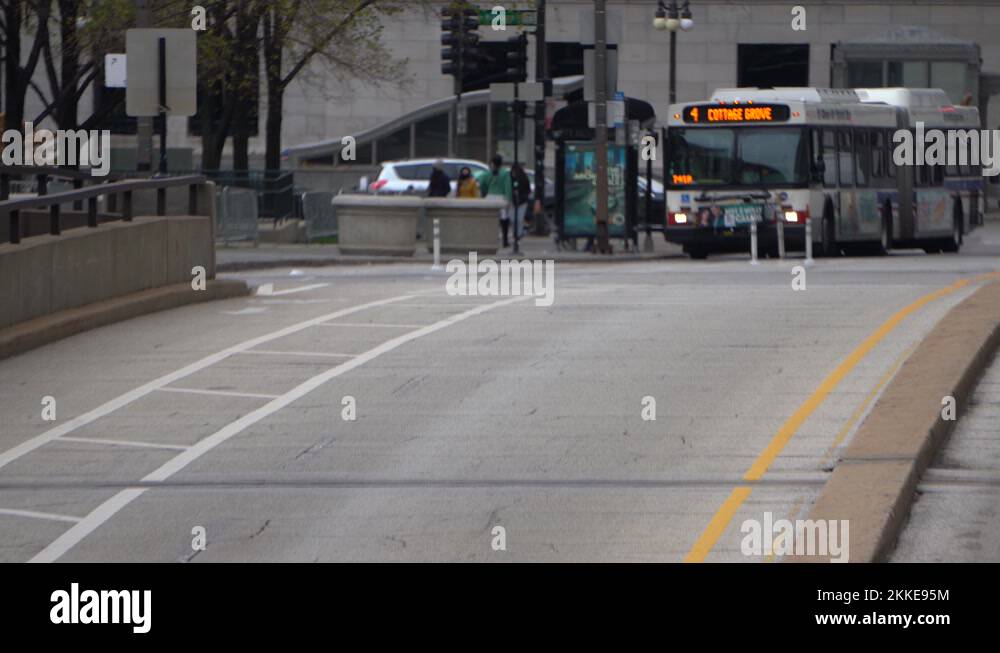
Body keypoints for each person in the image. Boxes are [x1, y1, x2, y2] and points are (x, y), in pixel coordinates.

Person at [481, 155, 513, 246]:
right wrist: (508, 199)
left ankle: (489, 239)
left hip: (490, 196)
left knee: (490, 219)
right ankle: (505, 240)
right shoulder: (505, 173)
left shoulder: (487, 173)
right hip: (501, 197)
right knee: (504, 219)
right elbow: (508, 187)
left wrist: (484, 194)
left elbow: (483, 185)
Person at [510, 163, 532, 240]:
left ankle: (518, 234)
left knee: (519, 219)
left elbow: (528, 190)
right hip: (513, 201)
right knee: (513, 218)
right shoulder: (510, 179)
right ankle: (516, 233)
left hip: (522, 201)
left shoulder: (523, 179)